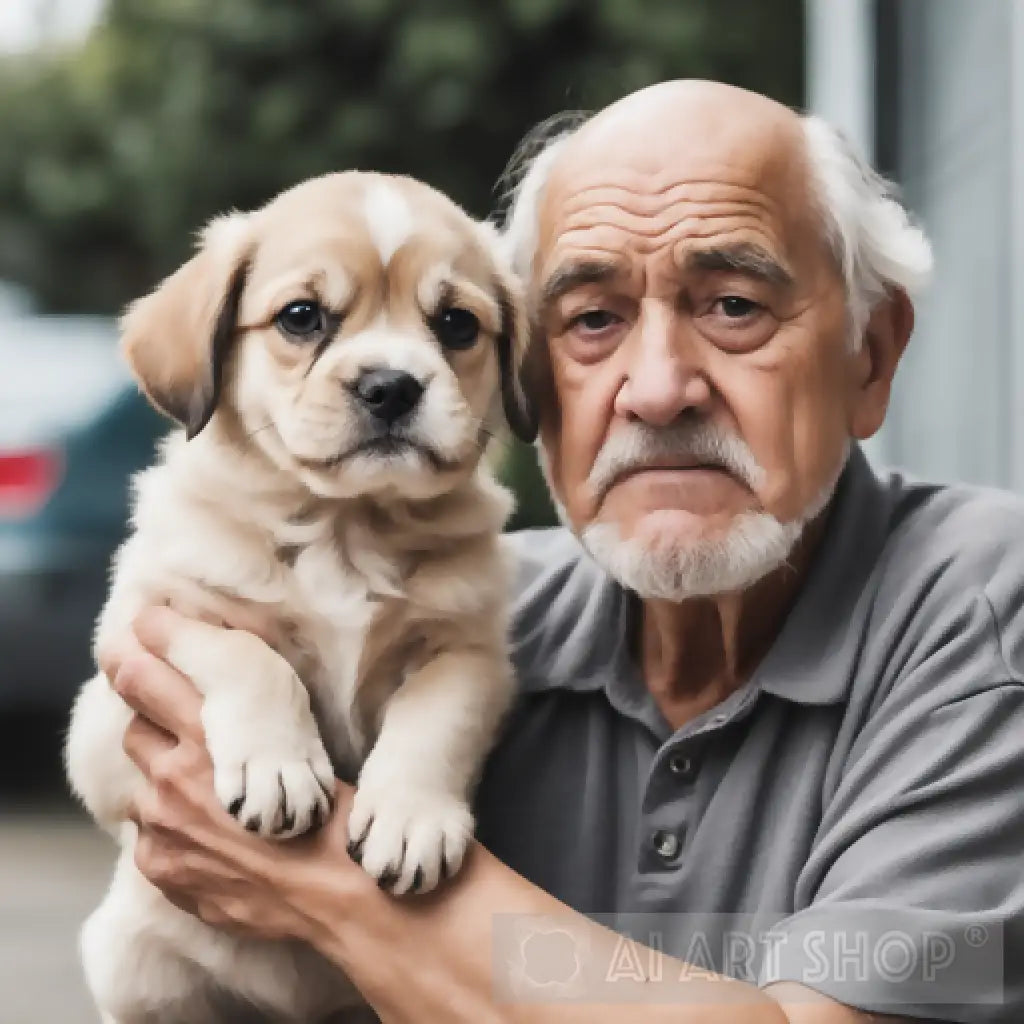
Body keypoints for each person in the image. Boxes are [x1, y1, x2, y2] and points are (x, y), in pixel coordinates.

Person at [106, 80, 1024, 1023]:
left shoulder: (984, 615)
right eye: (592, 319)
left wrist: (336, 896)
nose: (658, 390)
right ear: (534, 382)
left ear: (869, 359)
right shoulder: (489, 607)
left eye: (734, 305)